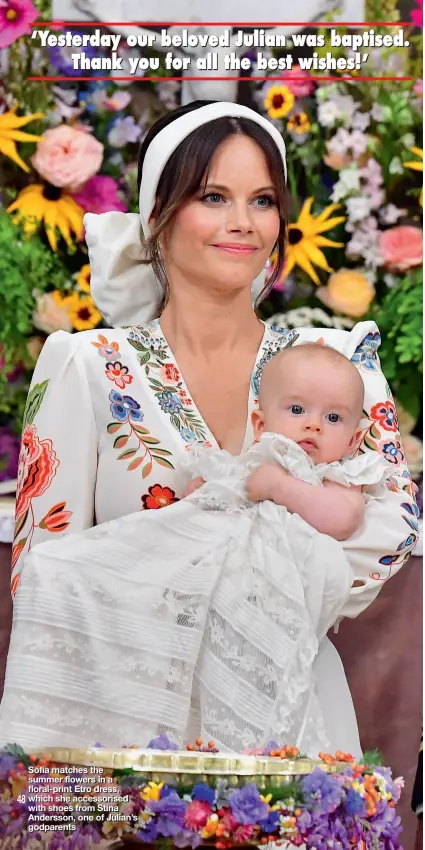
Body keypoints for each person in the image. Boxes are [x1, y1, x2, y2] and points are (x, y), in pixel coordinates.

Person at [3, 101, 417, 755]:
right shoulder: (88, 365)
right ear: (157, 218)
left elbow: (389, 529)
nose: (240, 224)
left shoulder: (331, 362)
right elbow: (43, 570)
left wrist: (242, 595)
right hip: (129, 725)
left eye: (261, 200)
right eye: (212, 195)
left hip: (291, 715)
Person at [0, 342, 389, 753]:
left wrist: (279, 487)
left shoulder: (336, 477)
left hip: (265, 610)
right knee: (66, 565)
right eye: (297, 411)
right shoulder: (247, 461)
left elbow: (343, 519)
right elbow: (196, 505)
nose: (313, 426)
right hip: (199, 583)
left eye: (333, 417)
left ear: (353, 438)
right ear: (260, 422)